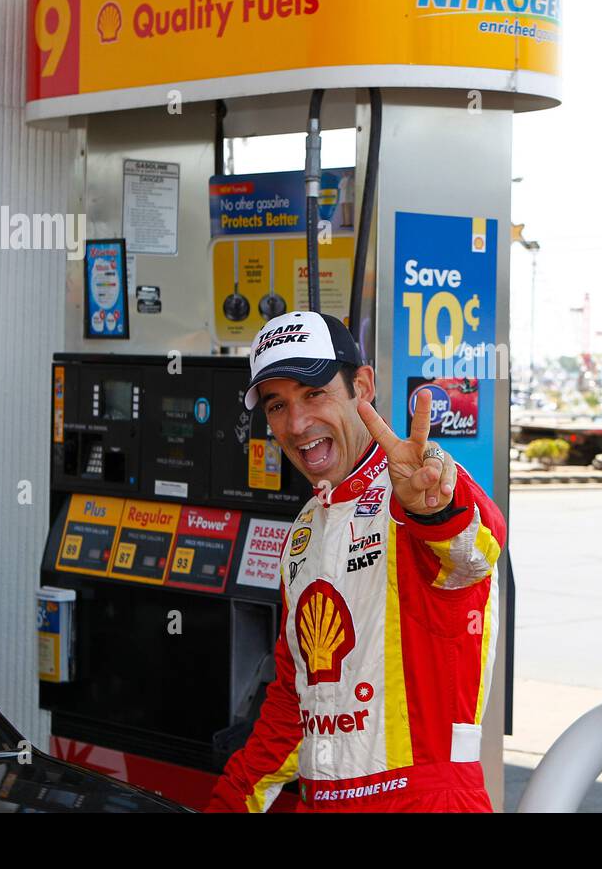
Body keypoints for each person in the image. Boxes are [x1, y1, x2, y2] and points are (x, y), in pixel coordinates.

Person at [207, 311, 505, 813]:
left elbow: (474, 552)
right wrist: (228, 803)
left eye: (313, 394)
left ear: (361, 386)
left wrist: (434, 510)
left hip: (423, 800)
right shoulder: (304, 528)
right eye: (278, 405)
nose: (297, 424)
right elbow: (292, 699)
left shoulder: (415, 491)